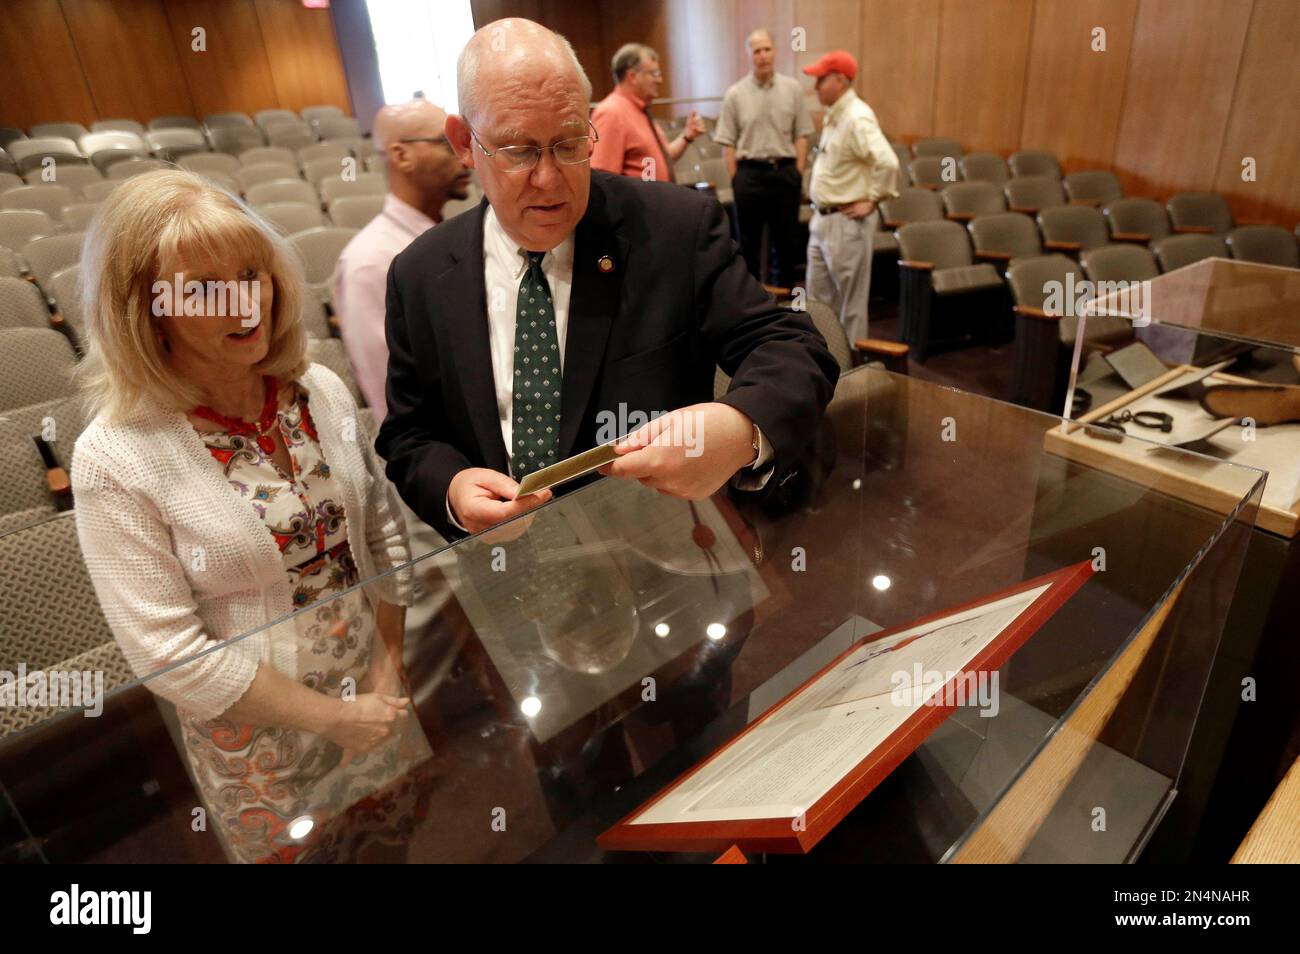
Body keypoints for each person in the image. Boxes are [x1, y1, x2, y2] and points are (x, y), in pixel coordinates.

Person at [71, 170, 431, 863]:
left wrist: (388, 672)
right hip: (266, 752)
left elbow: (383, 539)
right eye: (204, 288)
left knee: (394, 851)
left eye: (251, 272)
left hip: (377, 705)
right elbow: (169, 656)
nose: (244, 303)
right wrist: (336, 720)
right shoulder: (114, 458)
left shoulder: (317, 388)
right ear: (146, 311)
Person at [377, 17, 839, 543]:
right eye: (518, 151)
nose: (549, 178)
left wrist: (740, 428)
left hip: (662, 553)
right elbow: (409, 435)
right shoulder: (418, 274)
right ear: (464, 141)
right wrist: (453, 489)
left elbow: (792, 345)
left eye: (570, 142)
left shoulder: (674, 229)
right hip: (504, 568)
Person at [335, 99, 471, 422]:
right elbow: (394, 402)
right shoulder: (371, 263)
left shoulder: (459, 235)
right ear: (401, 155)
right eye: (446, 142)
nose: (466, 154)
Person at [803, 50, 899, 343]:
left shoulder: (857, 117)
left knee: (850, 306)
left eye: (821, 79)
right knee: (818, 303)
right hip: (822, 219)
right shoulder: (837, 115)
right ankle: (823, 362)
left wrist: (872, 199)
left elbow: (888, 162)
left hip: (846, 223)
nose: (816, 85)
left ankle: (852, 372)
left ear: (841, 80)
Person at [713, 28, 813, 288]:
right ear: (749, 55)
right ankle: (753, 307)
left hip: (785, 173)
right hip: (749, 176)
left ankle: (787, 304)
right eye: (757, 51)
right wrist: (736, 177)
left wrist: (799, 171)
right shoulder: (735, 93)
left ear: (775, 51)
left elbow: (802, 135)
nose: (763, 55)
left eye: (767, 49)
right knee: (748, 245)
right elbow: (728, 142)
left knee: (787, 243)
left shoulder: (792, 89)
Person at [590, 42, 705, 181]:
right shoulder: (611, 113)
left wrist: (687, 136)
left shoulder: (640, 110)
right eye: (654, 74)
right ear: (632, 76)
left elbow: (662, 159)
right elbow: (603, 177)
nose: (660, 80)